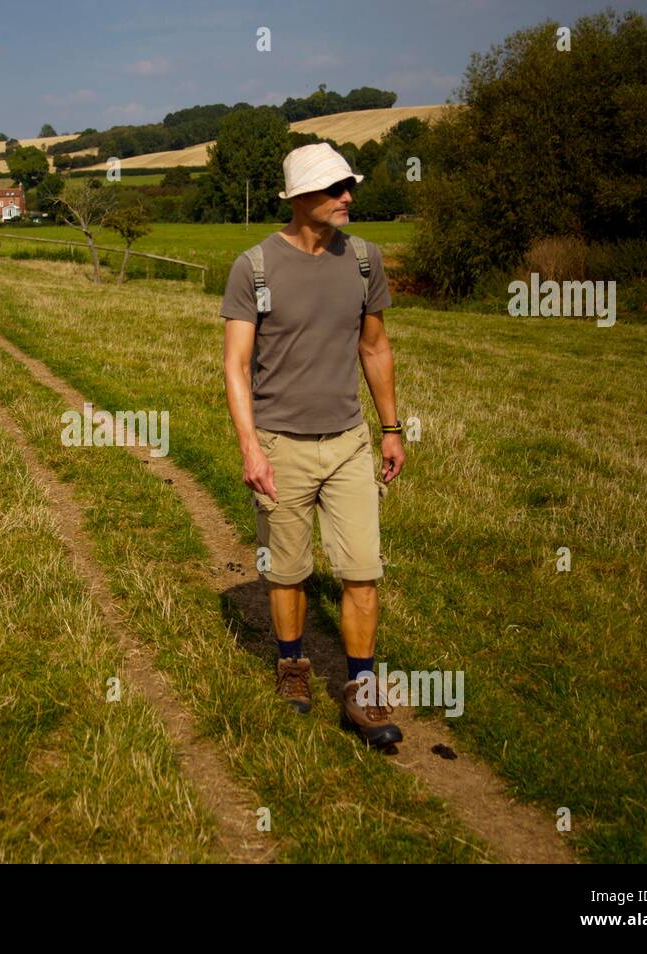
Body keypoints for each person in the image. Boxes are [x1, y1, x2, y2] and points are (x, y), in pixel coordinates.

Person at [219, 142, 406, 749]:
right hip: (281, 445)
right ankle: (293, 665)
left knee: (362, 571)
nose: (348, 197)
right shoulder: (255, 268)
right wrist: (251, 446)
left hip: (349, 443)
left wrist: (391, 428)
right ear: (300, 198)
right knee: (289, 572)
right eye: (335, 189)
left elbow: (374, 348)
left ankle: (361, 689)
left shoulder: (363, 261)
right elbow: (236, 365)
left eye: (349, 185)